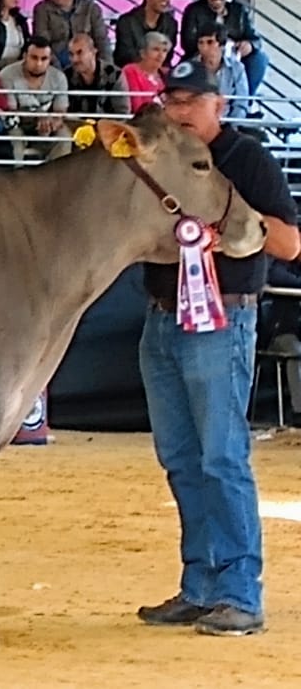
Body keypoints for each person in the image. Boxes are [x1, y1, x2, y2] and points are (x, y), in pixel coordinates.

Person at [137, 59, 300, 637]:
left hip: (222, 317)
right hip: (161, 317)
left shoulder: (246, 158)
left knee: (222, 457)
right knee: (181, 458)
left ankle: (239, 592)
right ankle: (200, 585)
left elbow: (290, 242)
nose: (179, 111)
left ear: (219, 105)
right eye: (172, 100)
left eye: (191, 101)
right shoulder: (159, 157)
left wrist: (232, 220)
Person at [180, 0, 267, 95]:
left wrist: (249, 45)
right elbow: (187, 43)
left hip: (233, 56)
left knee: (260, 59)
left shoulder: (239, 11)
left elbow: (256, 39)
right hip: (202, 55)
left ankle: (245, 99)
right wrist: (210, 47)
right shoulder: (194, 10)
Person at [0, 35, 71, 163]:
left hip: (47, 125)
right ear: (25, 56)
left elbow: (60, 111)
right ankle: (18, 173)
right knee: (15, 139)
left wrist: (51, 123)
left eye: (44, 59)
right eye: (34, 57)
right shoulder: (7, 75)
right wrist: (38, 116)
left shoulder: (59, 77)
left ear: (50, 59)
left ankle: (56, 174)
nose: (39, 63)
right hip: (17, 125)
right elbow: (10, 112)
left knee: (64, 136)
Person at [31, 0, 110, 69]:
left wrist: (106, 68)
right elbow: (42, 43)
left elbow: (102, 41)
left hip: (88, 65)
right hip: (56, 65)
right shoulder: (42, 10)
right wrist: (56, 70)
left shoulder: (91, 9)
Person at [113, 0, 177, 68]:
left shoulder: (170, 23)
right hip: (130, 70)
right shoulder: (127, 21)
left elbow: (168, 55)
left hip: (158, 70)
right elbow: (125, 54)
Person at [193, 25, 249, 120]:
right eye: (200, 43)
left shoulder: (237, 68)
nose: (204, 47)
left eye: (210, 42)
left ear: (222, 45)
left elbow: (241, 103)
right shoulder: (190, 68)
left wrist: (233, 125)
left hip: (227, 123)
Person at [64, 32, 127, 116]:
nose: (74, 59)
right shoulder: (66, 76)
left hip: (108, 123)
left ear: (93, 52)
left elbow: (122, 113)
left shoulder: (114, 74)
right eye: (71, 54)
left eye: (79, 53)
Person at [119, 31, 171, 113]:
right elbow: (138, 106)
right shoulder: (131, 71)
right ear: (143, 53)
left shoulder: (167, 73)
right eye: (156, 49)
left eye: (164, 51)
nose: (161, 55)